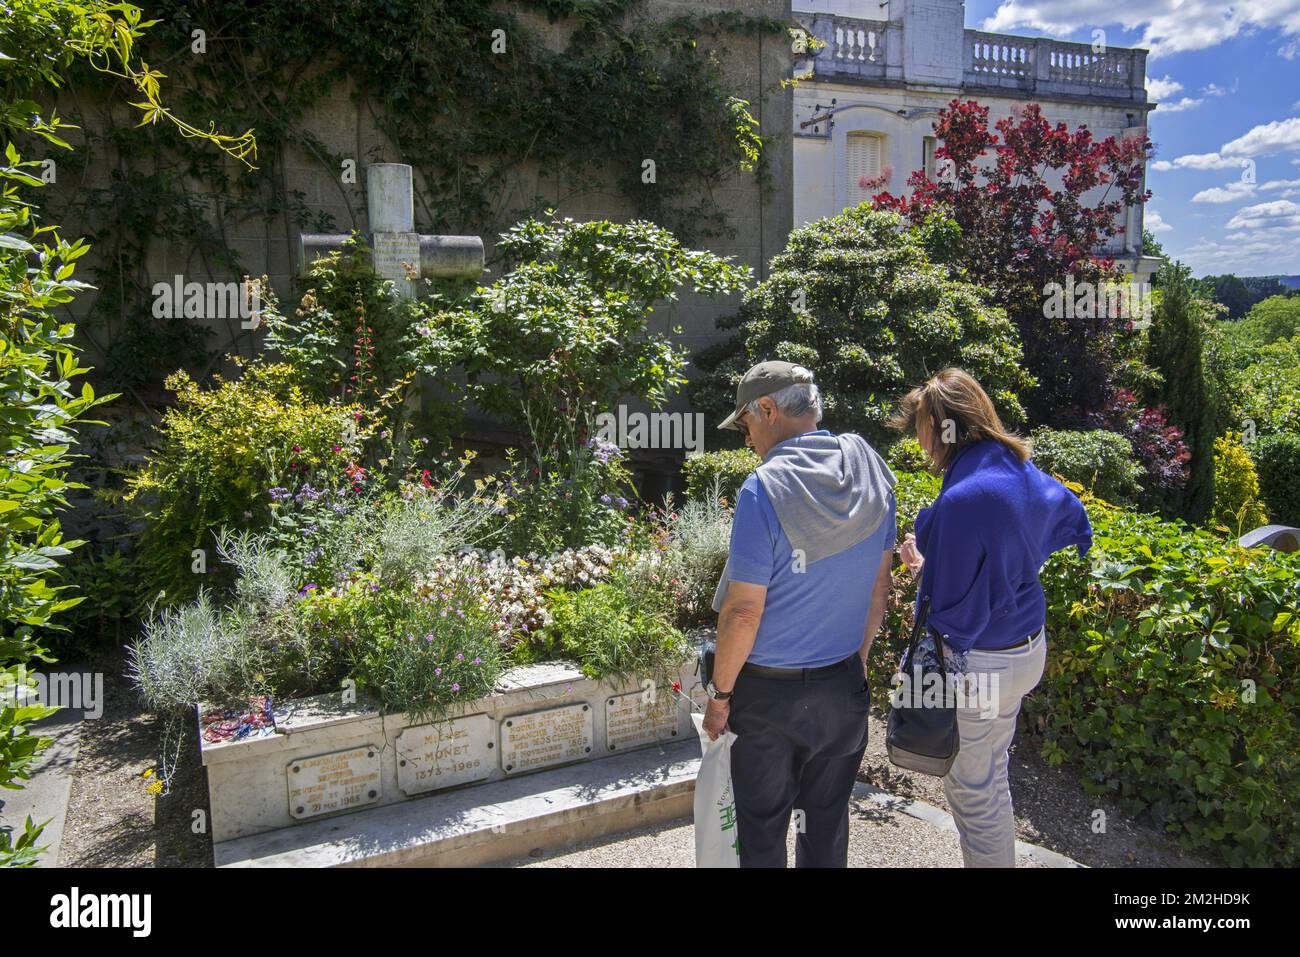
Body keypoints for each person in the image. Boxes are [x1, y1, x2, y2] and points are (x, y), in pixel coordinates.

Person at [890, 368, 1093, 867]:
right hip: (1025, 647)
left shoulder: (961, 499)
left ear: (942, 427)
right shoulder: (1017, 468)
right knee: (990, 771)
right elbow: (1068, 515)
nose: (919, 441)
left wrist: (925, 571)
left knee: (972, 791)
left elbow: (952, 614)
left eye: (921, 427)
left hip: (984, 663)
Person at [703, 360, 897, 868]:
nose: (747, 440)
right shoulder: (870, 465)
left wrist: (721, 696)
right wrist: (853, 663)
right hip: (843, 688)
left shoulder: (764, 487)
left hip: (769, 699)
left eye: (745, 425)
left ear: (767, 409)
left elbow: (744, 611)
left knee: (763, 832)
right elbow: (881, 586)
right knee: (826, 825)